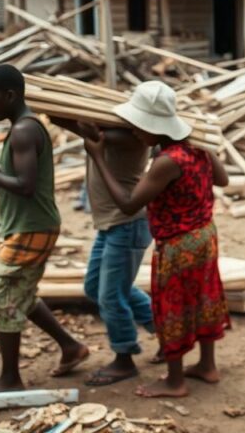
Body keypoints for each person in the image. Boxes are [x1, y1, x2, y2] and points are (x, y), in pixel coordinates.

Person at [82, 80, 230, 398]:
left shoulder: (167, 161)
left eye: (139, 127)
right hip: (204, 235)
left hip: (177, 244)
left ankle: (174, 381)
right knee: (204, 300)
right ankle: (207, 365)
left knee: (171, 308)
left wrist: (98, 158)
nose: (136, 134)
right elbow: (223, 179)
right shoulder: (197, 146)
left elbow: (128, 203)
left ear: (153, 127)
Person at [0, 64, 89, 392]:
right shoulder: (22, 127)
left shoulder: (23, 130)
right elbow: (18, 180)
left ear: (10, 95)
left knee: (0, 298)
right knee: (23, 294)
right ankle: (71, 347)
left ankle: (11, 378)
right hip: (31, 225)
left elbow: (27, 185)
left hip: (33, 227)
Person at [50, 117, 155, 386]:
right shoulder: (113, 133)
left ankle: (125, 357)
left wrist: (59, 112)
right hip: (112, 225)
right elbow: (80, 126)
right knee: (97, 286)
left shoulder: (131, 136)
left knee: (110, 295)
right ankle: (166, 330)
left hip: (126, 224)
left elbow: (86, 128)